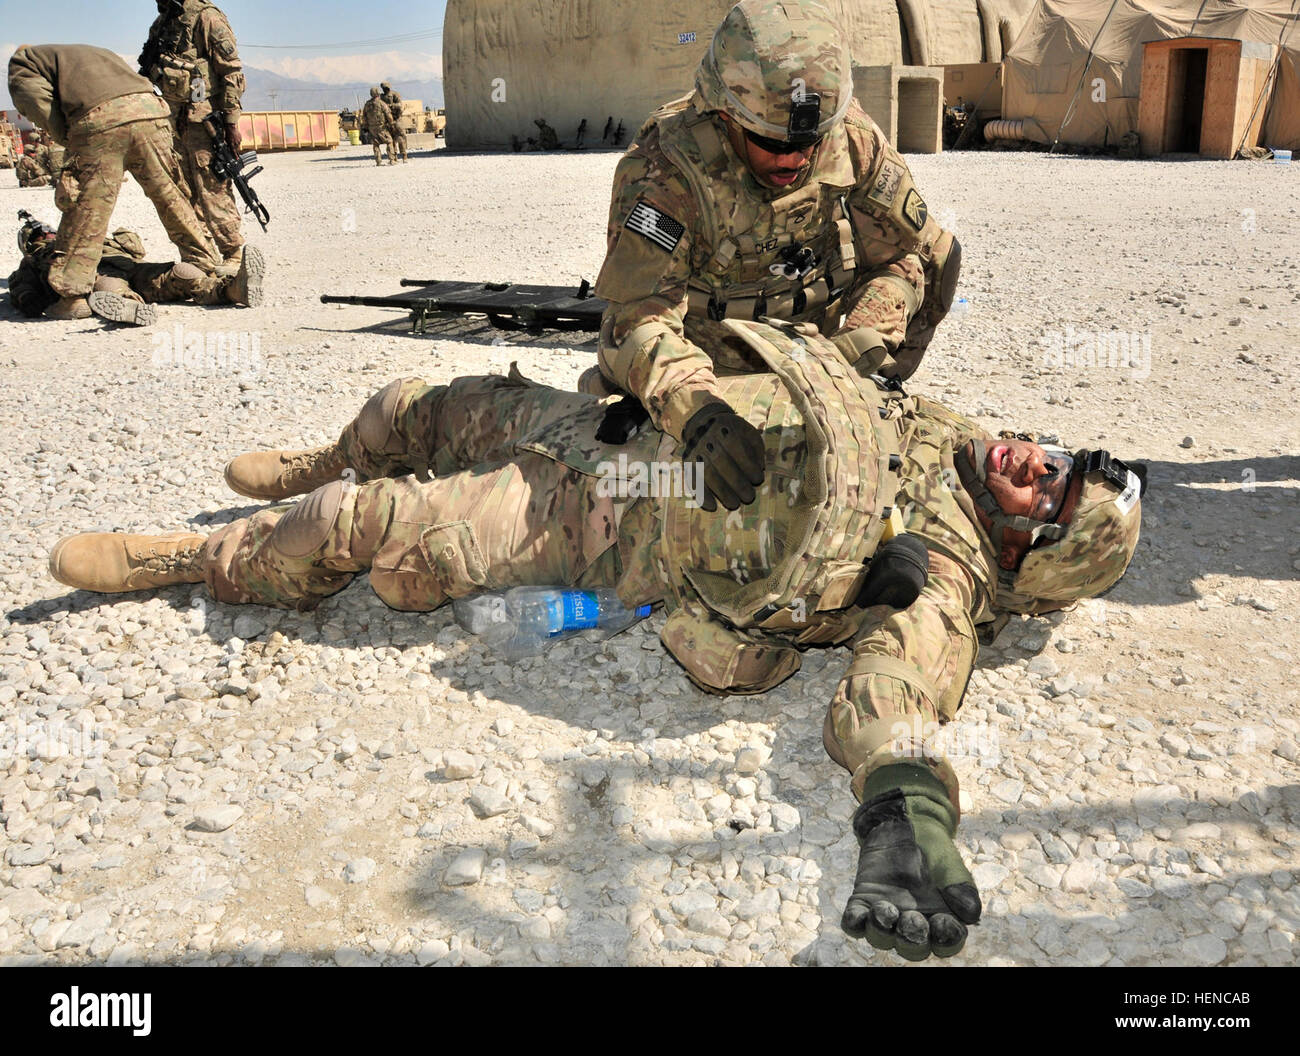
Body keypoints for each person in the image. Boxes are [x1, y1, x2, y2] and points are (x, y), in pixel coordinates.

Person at [48, 320, 1144, 962]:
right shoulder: (949, 429)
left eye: (1049, 492)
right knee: (410, 403)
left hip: (596, 526)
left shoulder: (942, 578)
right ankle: (327, 453)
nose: (1034, 463)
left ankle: (193, 563)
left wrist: (905, 814)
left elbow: (898, 690)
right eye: (1056, 456)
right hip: (617, 426)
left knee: (358, 531)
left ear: (1022, 548)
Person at [590, 0, 962, 513]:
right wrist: (693, 410)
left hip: (825, 353)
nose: (793, 158)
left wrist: (868, 343)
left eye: (807, 141)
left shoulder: (850, 138)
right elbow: (635, 317)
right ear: (725, 113)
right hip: (708, 370)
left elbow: (909, 256)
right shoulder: (669, 169)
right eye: (768, 141)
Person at [7, 43, 224, 320]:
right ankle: (205, 264)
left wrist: (69, 139)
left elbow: (33, 100)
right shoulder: (88, 53)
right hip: (151, 110)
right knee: (171, 195)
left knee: (86, 210)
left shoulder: (23, 61)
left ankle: (73, 296)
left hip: (101, 120)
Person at [139, 0, 248, 275]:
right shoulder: (163, 23)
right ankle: (202, 256)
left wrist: (231, 122)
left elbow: (232, 72)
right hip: (172, 121)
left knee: (213, 188)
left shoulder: (206, 17)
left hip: (205, 121)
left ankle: (233, 254)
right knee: (183, 191)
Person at [8, 217, 264, 325]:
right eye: (41, 234)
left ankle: (232, 290)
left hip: (131, 269)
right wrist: (34, 302)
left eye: (49, 230)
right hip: (97, 276)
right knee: (110, 287)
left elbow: (135, 251)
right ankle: (129, 309)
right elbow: (23, 289)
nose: (48, 234)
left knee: (181, 273)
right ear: (31, 244)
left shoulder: (87, 235)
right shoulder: (35, 259)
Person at [361, 87, 397, 166]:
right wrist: (392, 124)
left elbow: (364, 117)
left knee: (376, 144)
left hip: (372, 128)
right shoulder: (381, 103)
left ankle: (378, 161)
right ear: (378, 93)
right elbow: (388, 115)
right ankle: (391, 160)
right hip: (382, 127)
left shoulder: (367, 104)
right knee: (389, 141)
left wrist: (366, 126)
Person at [380, 82, 408, 163]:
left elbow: (399, 105)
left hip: (397, 120)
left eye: (387, 88)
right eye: (384, 88)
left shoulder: (395, 95)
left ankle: (404, 156)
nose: (386, 89)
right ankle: (394, 157)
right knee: (391, 140)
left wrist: (389, 106)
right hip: (388, 121)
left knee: (401, 139)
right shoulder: (381, 97)